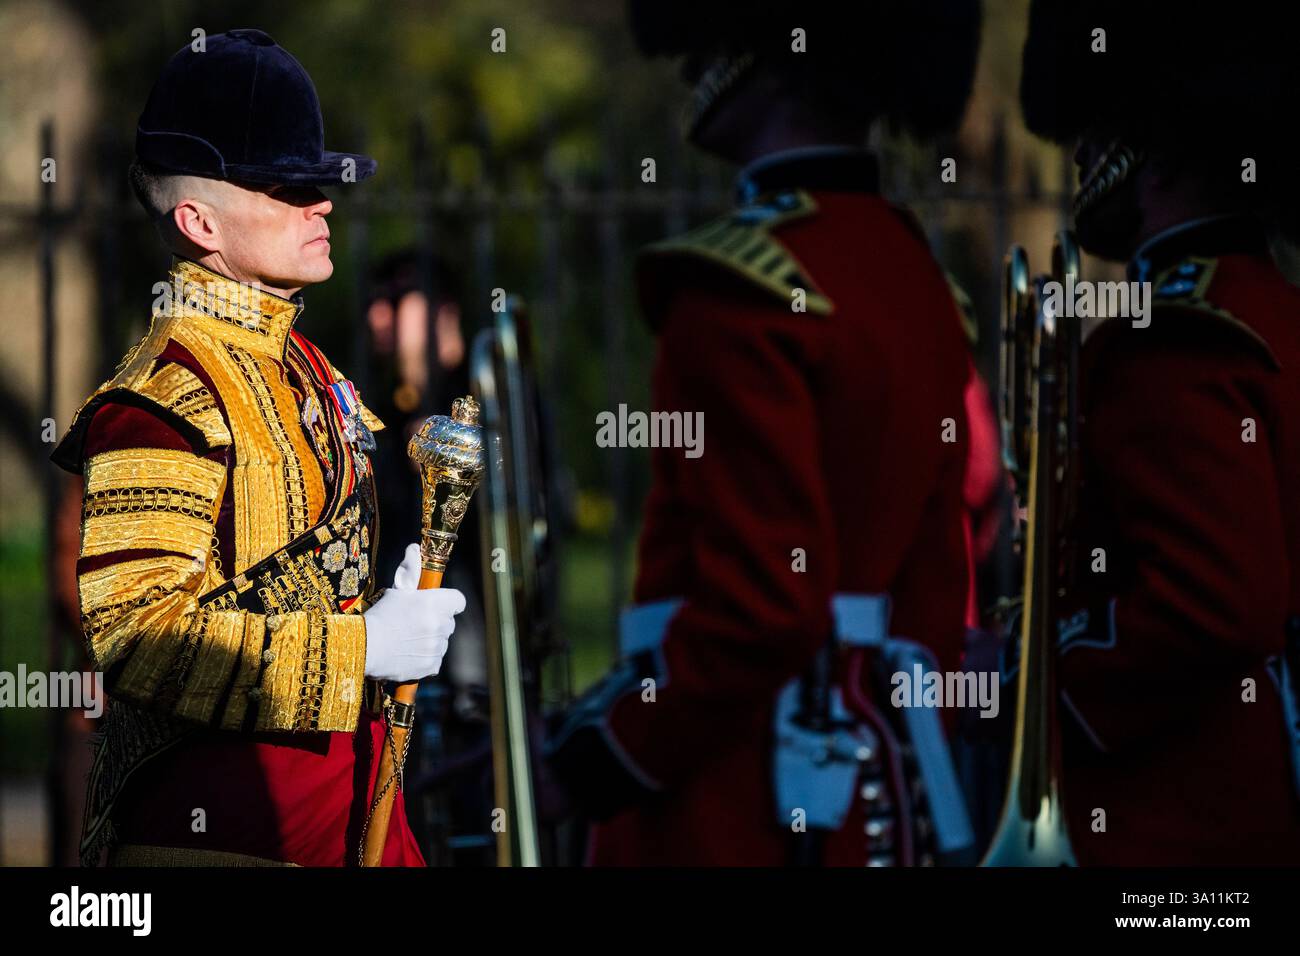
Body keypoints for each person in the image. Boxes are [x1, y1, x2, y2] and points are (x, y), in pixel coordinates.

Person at [546, 1, 985, 865]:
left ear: (778, 61)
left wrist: (609, 754)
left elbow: (760, 612)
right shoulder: (918, 280)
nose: (688, 68)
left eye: (715, 42)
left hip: (733, 792)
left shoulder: (735, 287)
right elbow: (936, 593)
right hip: (878, 794)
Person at [50, 29, 465, 866]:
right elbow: (135, 635)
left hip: (342, 812)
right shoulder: (163, 396)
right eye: (288, 187)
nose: (324, 204)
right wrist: (365, 648)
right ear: (198, 220)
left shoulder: (305, 364)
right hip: (225, 835)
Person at [1019, 0, 1300, 864]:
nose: (1081, 155)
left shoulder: (1168, 336)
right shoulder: (1275, 313)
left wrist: (1044, 672)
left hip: (1180, 824)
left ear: (1163, 141)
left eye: (1099, 128)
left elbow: (1216, 604)